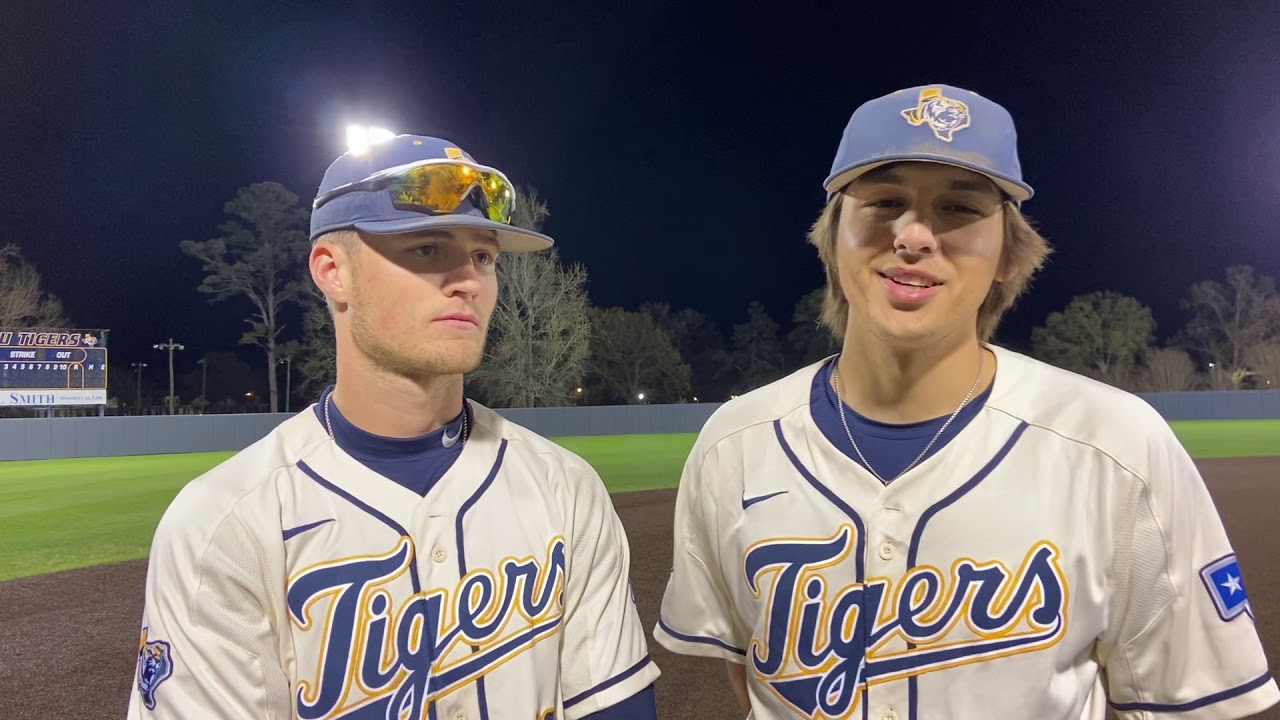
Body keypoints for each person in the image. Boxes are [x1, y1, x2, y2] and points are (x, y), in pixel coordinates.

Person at [653, 84, 1278, 719]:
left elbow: (1194, 703)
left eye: (958, 208)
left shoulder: (1116, 444)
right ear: (831, 237)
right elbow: (751, 675)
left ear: (1008, 254)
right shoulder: (734, 444)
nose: (915, 235)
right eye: (885, 201)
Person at [128, 135, 660, 720]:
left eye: (484, 256)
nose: (470, 281)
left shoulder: (566, 490)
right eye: (428, 249)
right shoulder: (223, 524)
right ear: (333, 271)